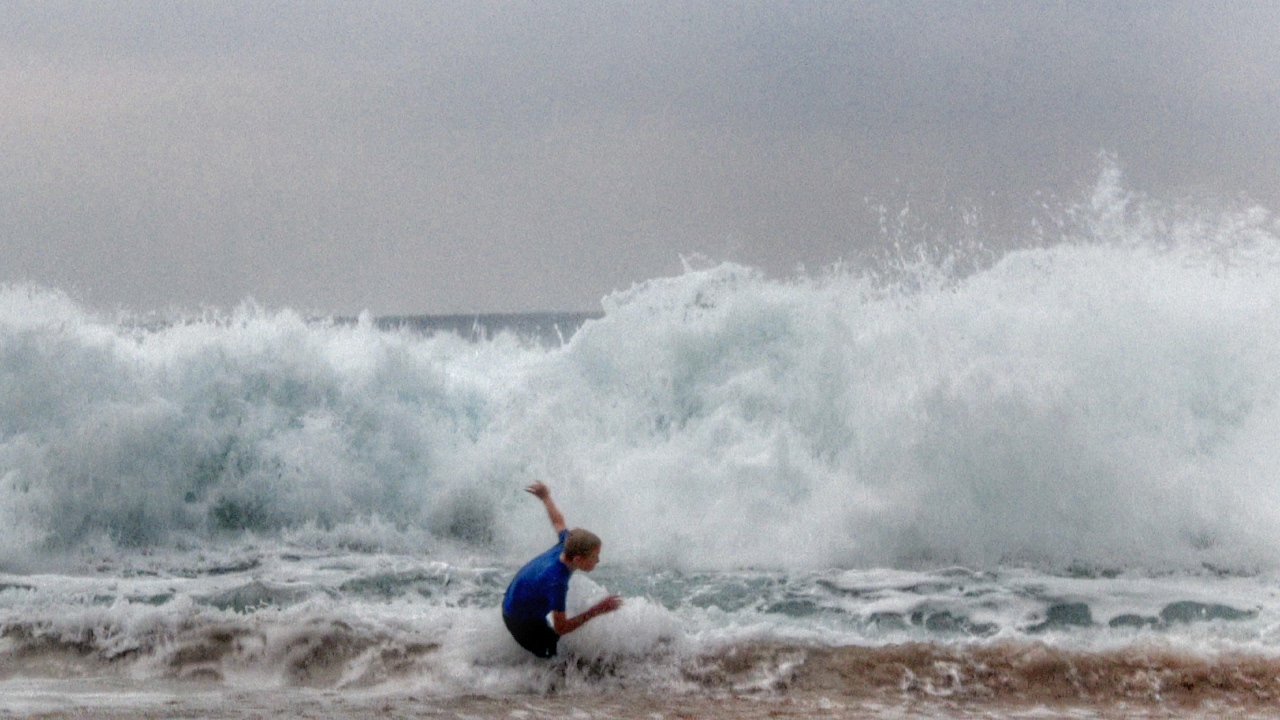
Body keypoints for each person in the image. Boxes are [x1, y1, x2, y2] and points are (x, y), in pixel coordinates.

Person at [502, 482, 622, 658]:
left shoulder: (566, 545)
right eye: (594, 557)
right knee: (556, 660)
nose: (598, 561)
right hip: (519, 621)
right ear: (578, 559)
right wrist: (598, 609)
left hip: (514, 600)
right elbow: (561, 627)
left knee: (560, 652)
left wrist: (546, 497)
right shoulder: (556, 582)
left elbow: (558, 521)